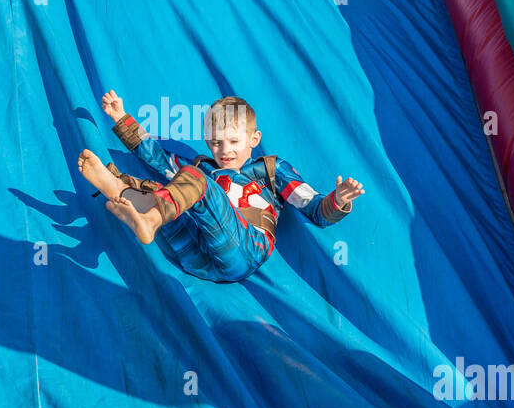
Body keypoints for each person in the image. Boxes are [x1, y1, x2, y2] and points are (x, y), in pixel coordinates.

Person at [76, 91, 364, 282]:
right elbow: (157, 157)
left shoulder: (271, 171)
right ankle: (118, 188)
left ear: (254, 139)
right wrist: (121, 119)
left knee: (192, 180)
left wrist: (337, 200)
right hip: (195, 255)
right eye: (215, 142)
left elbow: (315, 209)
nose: (224, 150)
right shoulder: (203, 169)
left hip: (243, 249)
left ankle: (149, 219)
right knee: (163, 184)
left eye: (233, 142)